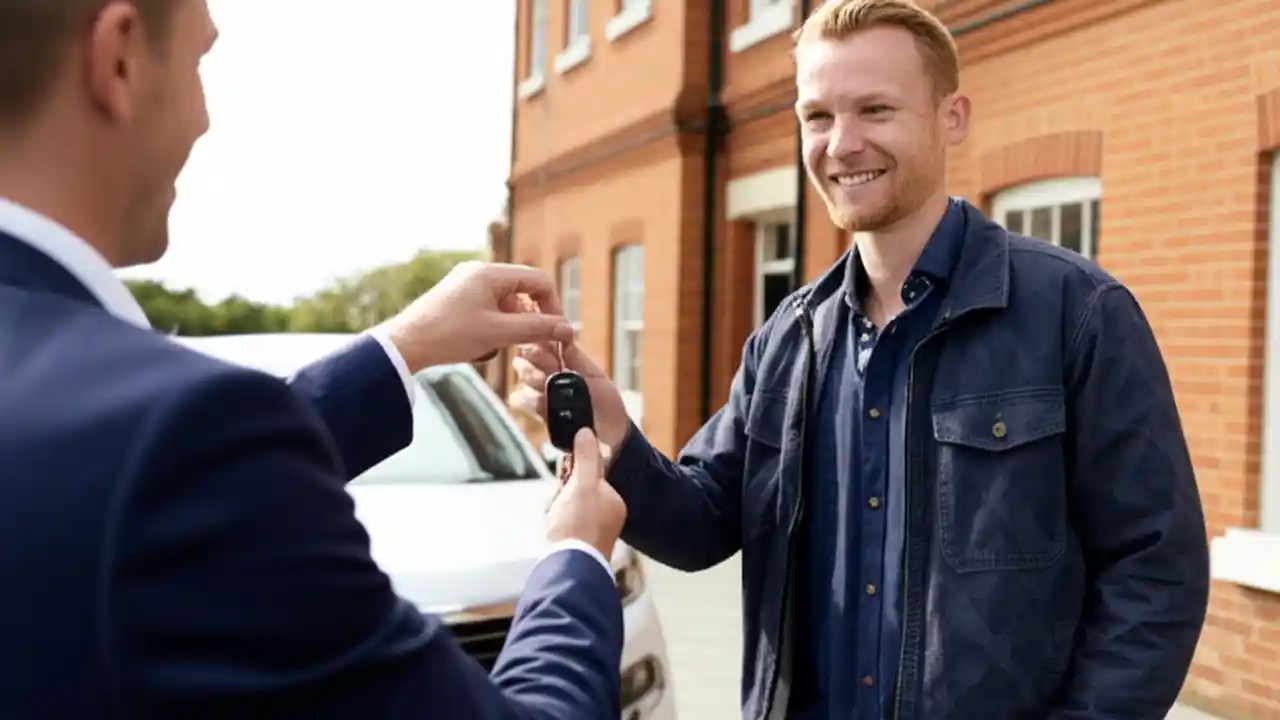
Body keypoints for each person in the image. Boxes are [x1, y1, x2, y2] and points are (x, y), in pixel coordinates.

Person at [512, 0, 1210, 718]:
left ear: (953, 117)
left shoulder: (1077, 312)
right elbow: (698, 526)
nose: (841, 144)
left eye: (875, 110)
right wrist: (616, 433)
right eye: (818, 116)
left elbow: (1156, 571)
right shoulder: (787, 340)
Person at [0, 1, 627, 718]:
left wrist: (406, 343)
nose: (204, 119)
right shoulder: (185, 438)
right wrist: (574, 556)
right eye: (201, 61)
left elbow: (138, 478)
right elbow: (182, 470)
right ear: (118, 59)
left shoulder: (140, 436)